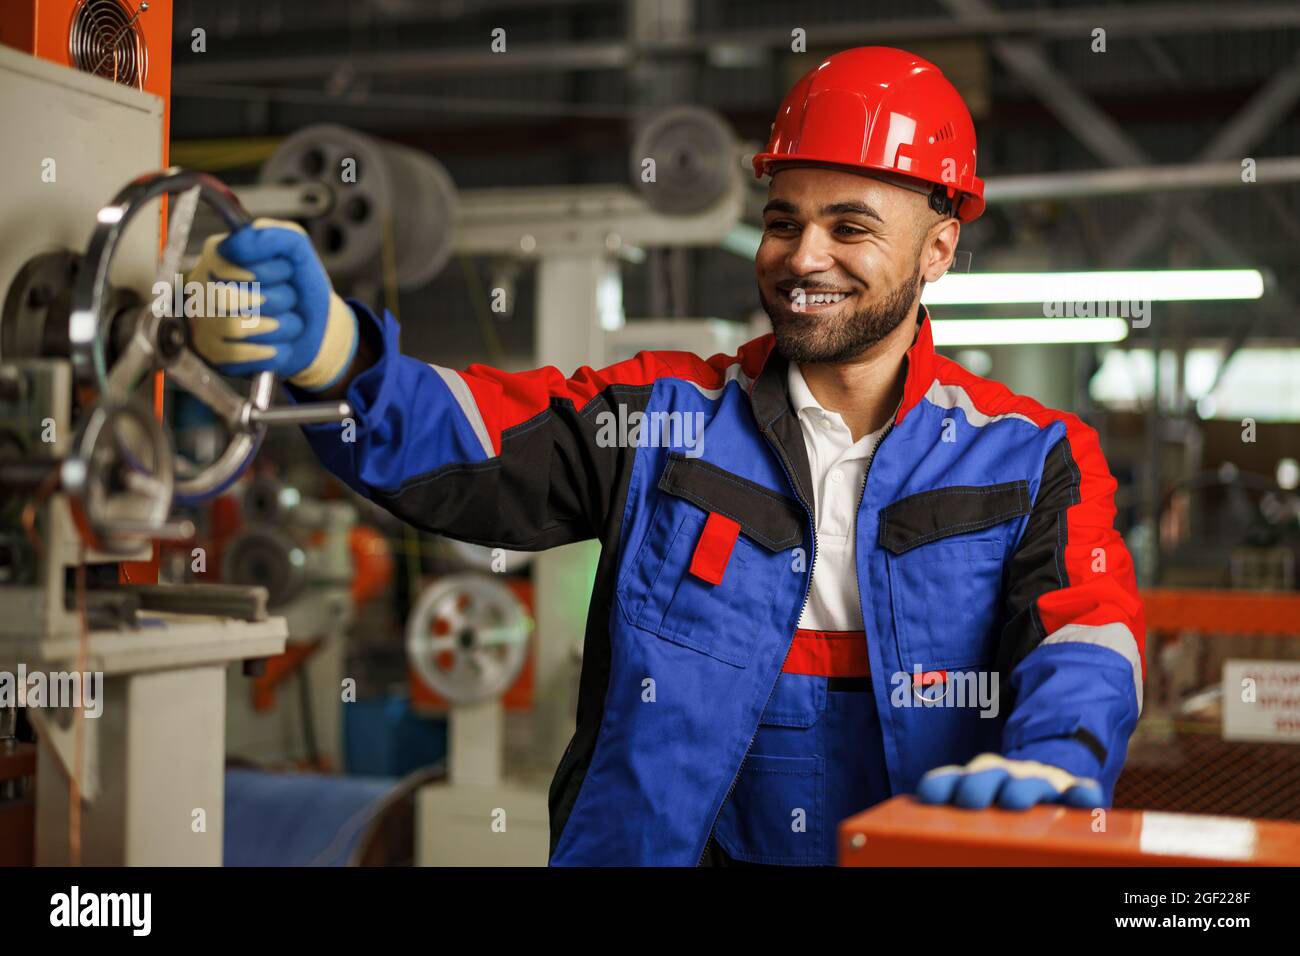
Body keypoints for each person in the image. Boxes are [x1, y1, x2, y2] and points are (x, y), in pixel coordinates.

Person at [188, 46, 1145, 866]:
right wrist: (337, 360)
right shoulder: (661, 419)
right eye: (783, 221)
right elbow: (478, 440)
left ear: (937, 249)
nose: (804, 255)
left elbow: (1086, 633)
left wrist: (1057, 760)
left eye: (850, 226)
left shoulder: (1032, 458)